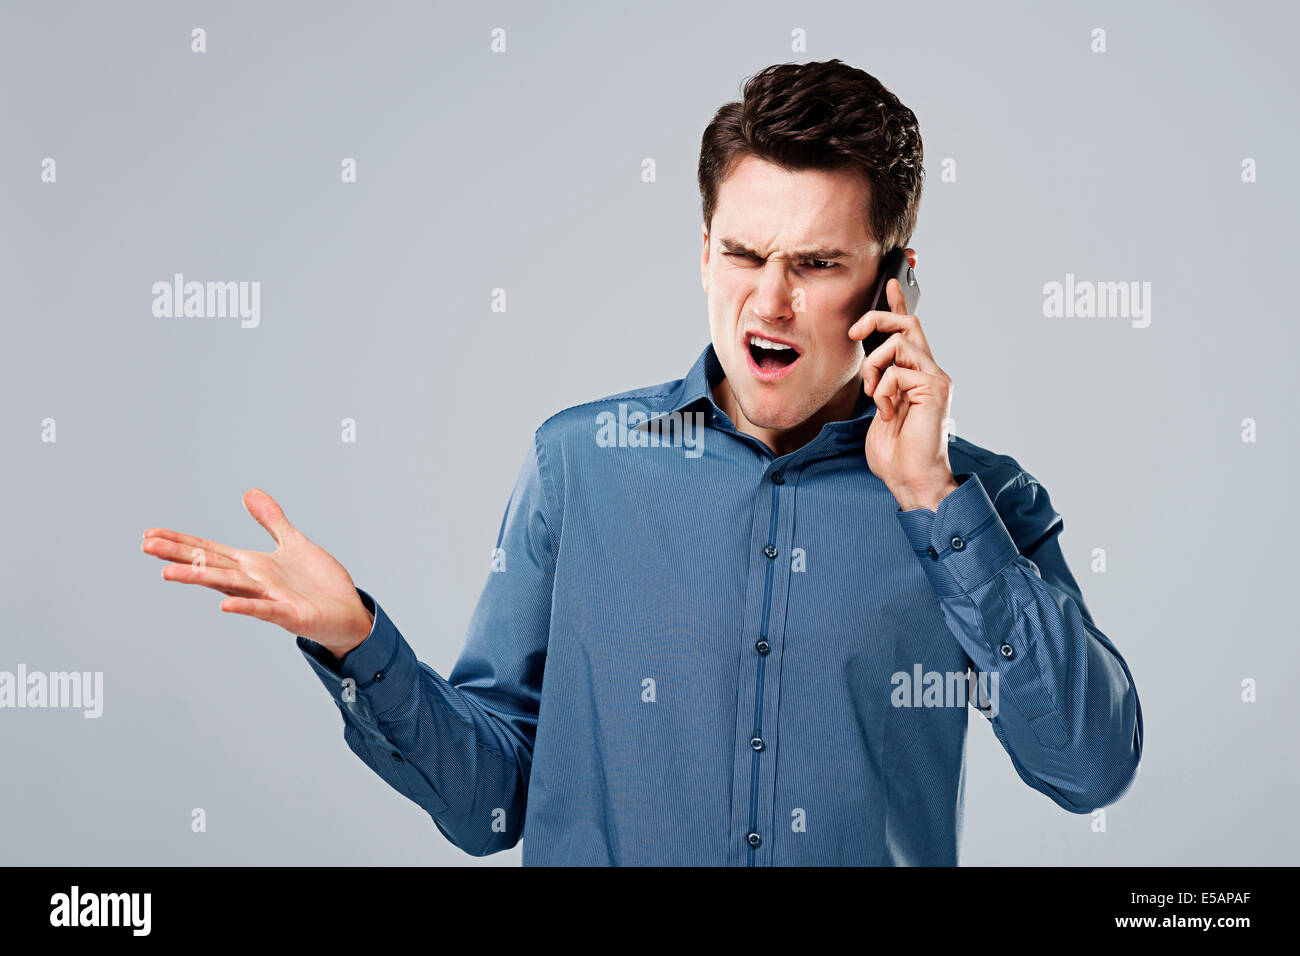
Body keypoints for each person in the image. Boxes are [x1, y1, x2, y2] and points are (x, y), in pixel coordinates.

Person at [142, 59, 1142, 865]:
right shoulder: (578, 465)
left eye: (816, 263)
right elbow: (491, 806)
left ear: (895, 286)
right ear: (704, 253)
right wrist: (361, 642)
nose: (769, 303)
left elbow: (1088, 768)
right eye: (743, 255)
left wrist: (931, 497)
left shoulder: (980, 501)